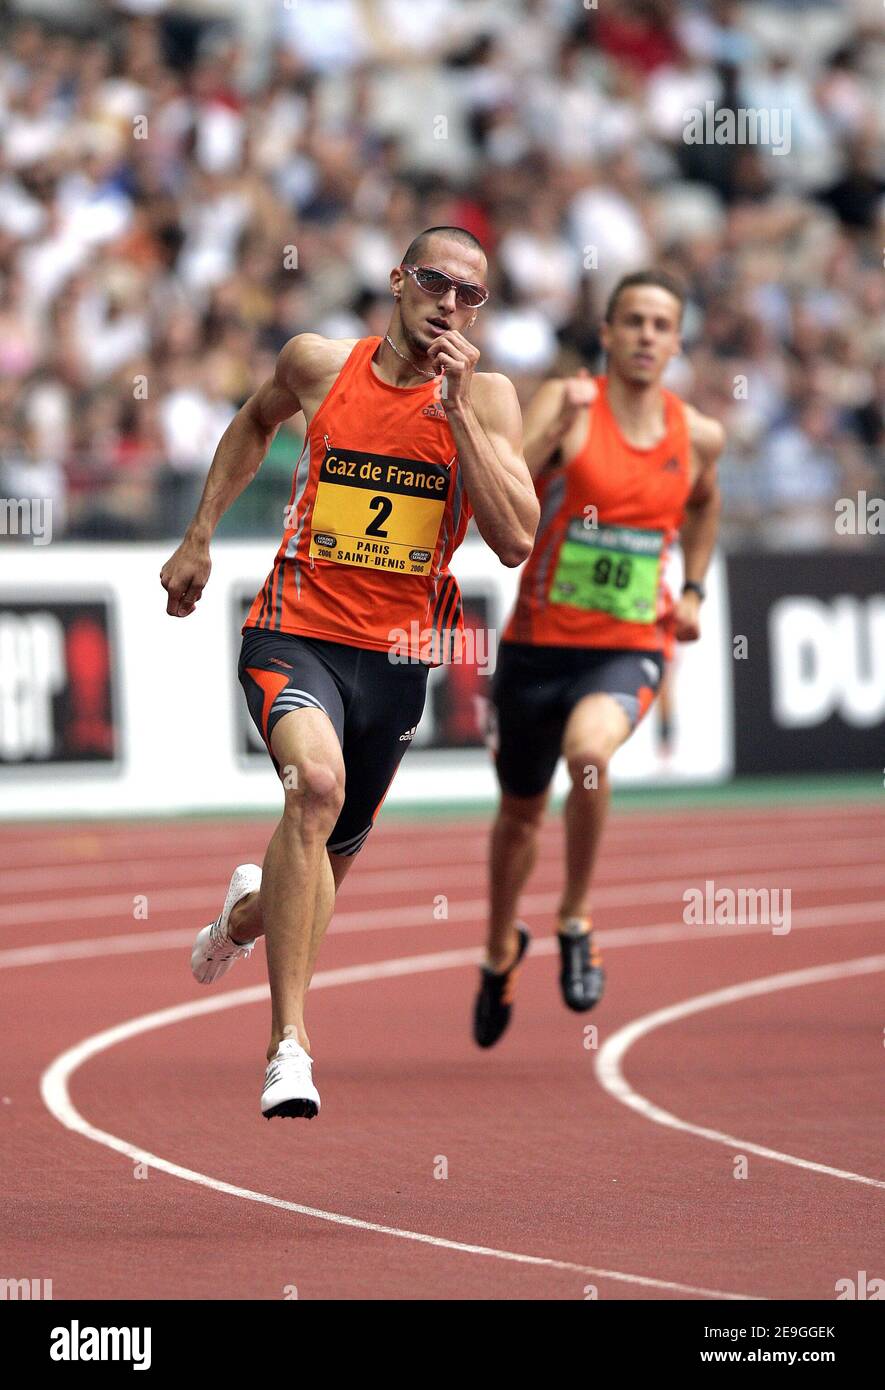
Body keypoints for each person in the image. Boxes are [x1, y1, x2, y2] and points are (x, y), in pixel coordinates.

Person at [159, 227, 538, 1116]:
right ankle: (289, 1047)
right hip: (295, 631)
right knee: (315, 786)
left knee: (315, 869)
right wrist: (200, 534)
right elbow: (253, 422)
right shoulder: (318, 362)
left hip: (399, 661)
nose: (449, 303)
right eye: (436, 283)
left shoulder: (490, 400)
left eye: (470, 294)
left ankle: (237, 921)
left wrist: (459, 410)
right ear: (399, 280)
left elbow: (516, 540)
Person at [473, 269, 724, 1047]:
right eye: (634, 322)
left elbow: (706, 500)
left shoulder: (697, 435)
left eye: (661, 323)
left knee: (589, 755)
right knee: (518, 818)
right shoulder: (567, 402)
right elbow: (510, 479)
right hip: (535, 648)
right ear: (608, 334)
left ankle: (575, 917)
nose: (648, 336)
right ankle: (496, 948)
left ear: (677, 341)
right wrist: (549, 436)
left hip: (624, 648)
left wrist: (691, 591)